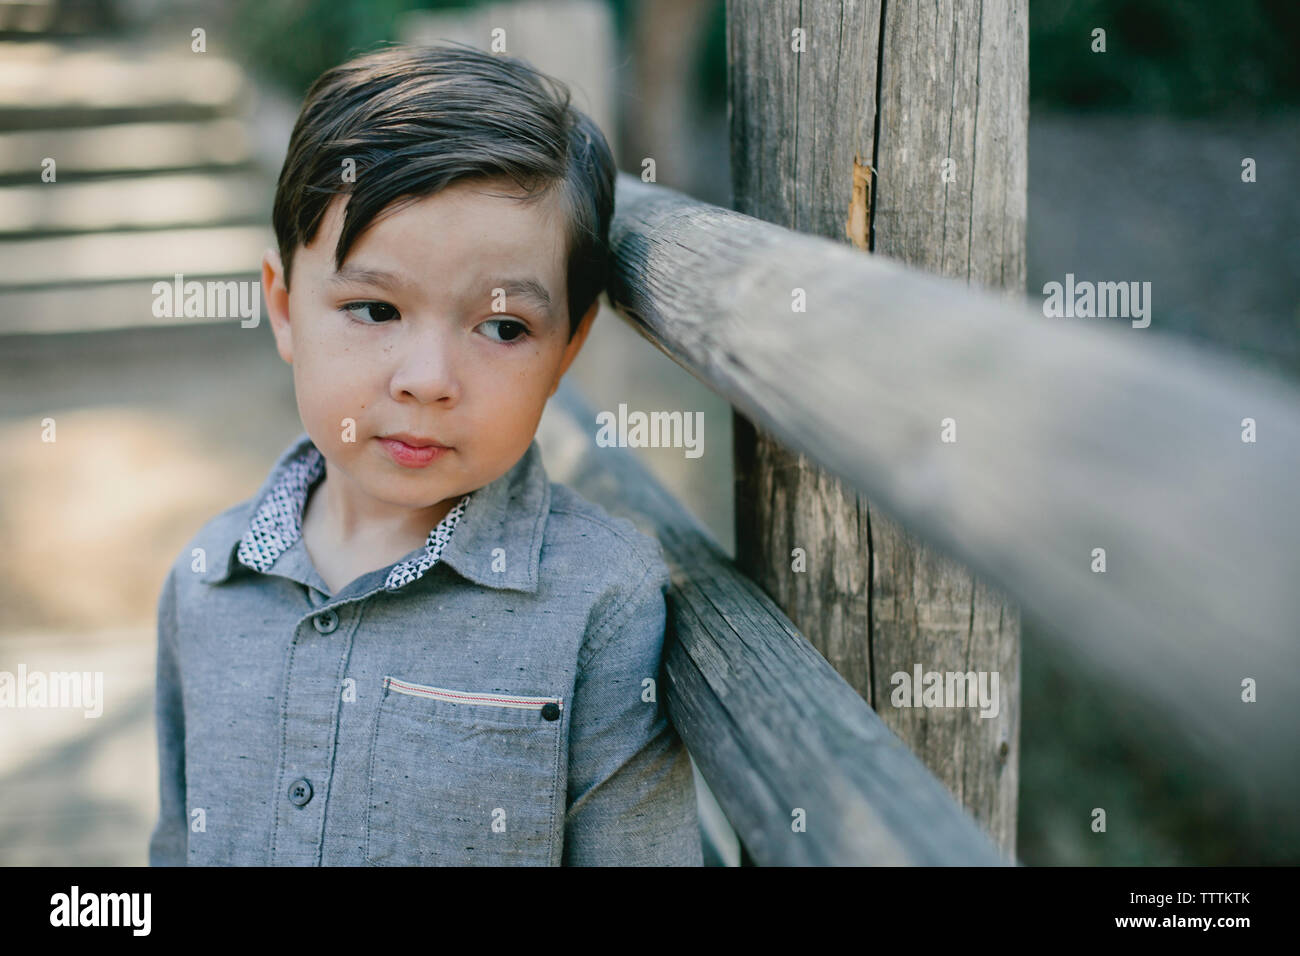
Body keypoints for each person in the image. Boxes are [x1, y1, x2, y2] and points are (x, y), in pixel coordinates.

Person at [148, 42, 702, 866]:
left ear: (568, 348)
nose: (429, 380)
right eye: (373, 309)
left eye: (503, 327)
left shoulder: (599, 603)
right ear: (285, 308)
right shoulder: (208, 581)